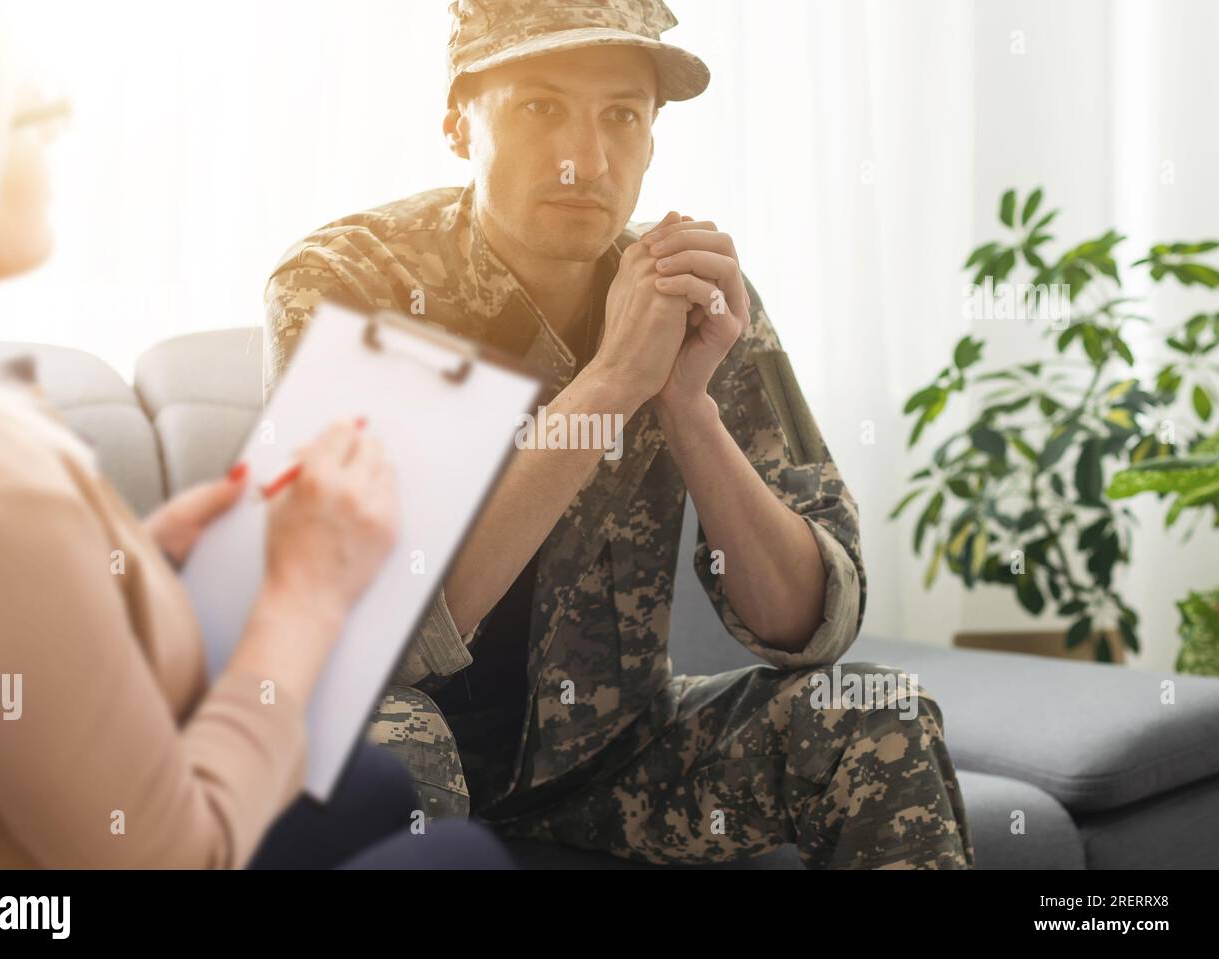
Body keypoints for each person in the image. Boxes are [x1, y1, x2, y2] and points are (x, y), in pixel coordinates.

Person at [264, 0, 974, 868]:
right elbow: (382, 633)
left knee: (878, 718)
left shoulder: (691, 295)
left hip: (608, 761)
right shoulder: (353, 282)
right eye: (539, 107)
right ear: (458, 123)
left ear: (652, 139)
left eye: (622, 116)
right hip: (389, 730)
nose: (584, 159)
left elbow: (810, 626)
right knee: (395, 750)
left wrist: (687, 408)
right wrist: (611, 382)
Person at [0, 0, 508, 870]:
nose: (61, 120)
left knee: (375, 787)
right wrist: (303, 591)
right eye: (26, 103)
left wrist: (130, 564)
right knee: (457, 858)